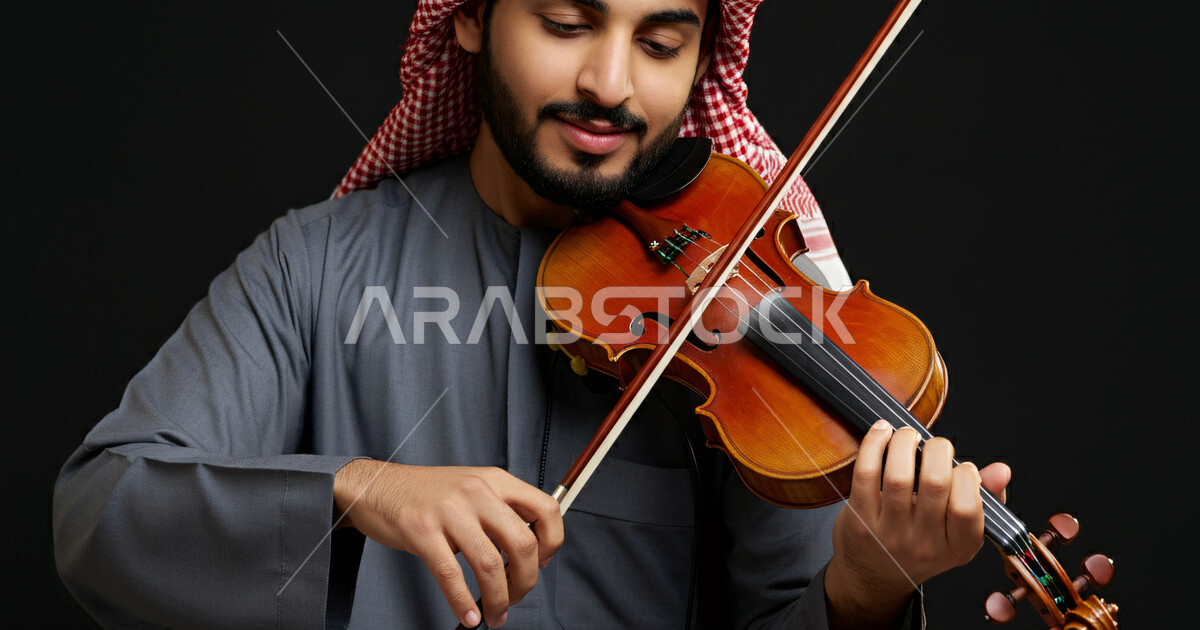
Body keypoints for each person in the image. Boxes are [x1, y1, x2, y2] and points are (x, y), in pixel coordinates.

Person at [54, 0, 1010, 628]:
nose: (610, 83)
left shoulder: (738, 307)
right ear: (470, 17)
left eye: (661, 42)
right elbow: (101, 516)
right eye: (565, 21)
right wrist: (359, 489)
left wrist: (866, 590)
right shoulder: (316, 262)